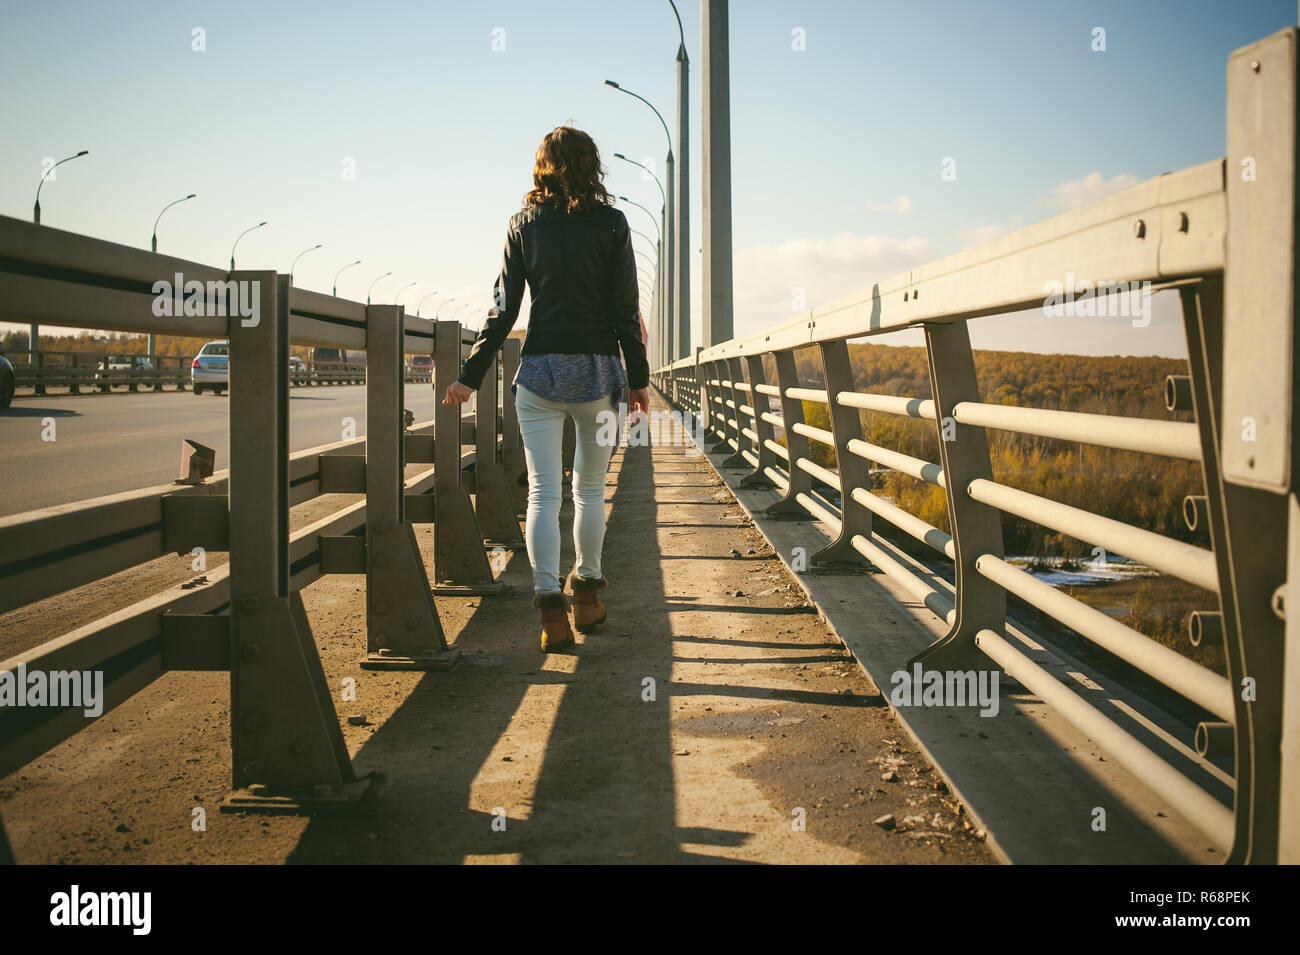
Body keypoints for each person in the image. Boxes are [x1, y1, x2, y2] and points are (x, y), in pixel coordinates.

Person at [442, 126, 650, 652]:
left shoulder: (523, 225)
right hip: (598, 372)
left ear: (542, 166)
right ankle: (586, 592)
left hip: (537, 372)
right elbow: (627, 312)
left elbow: (503, 310)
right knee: (588, 490)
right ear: (591, 164)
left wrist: (470, 376)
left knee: (543, 491)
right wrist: (640, 382)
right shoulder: (612, 224)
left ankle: (550, 608)